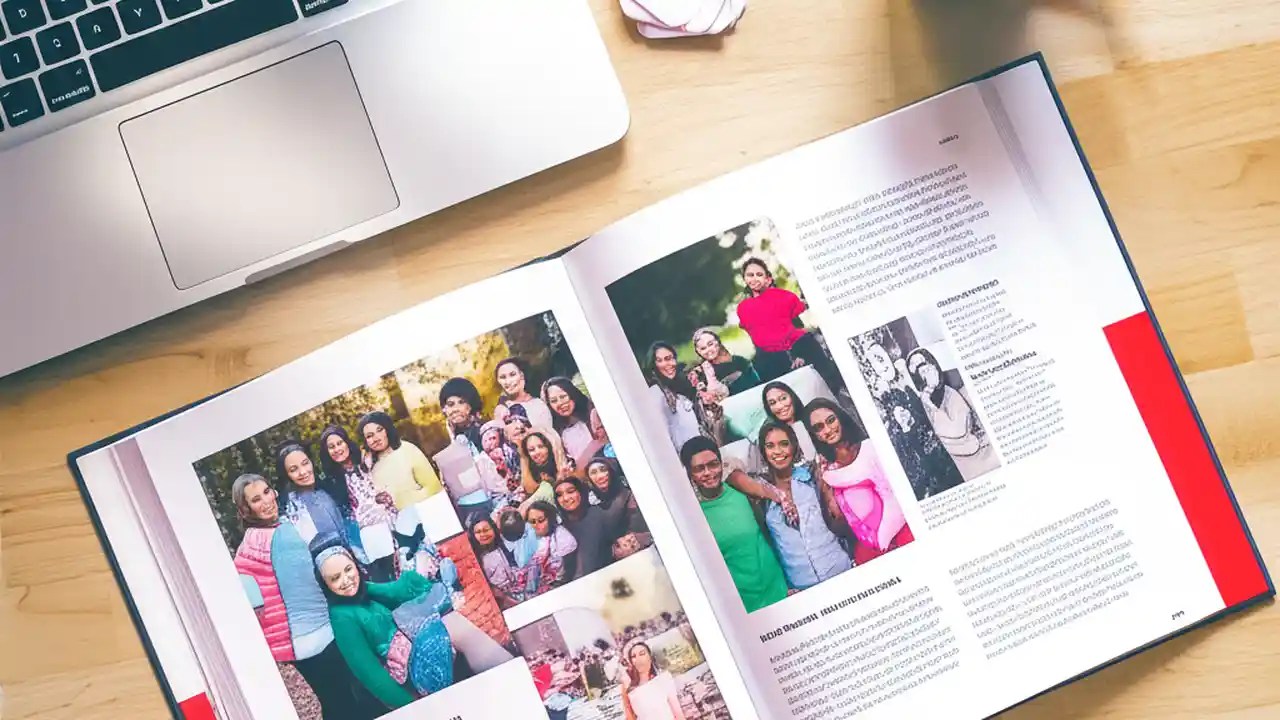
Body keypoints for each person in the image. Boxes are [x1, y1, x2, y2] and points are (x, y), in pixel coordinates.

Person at [231, 474, 366, 719]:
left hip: (293, 643)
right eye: (256, 499)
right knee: (348, 700)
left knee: (335, 700)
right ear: (245, 508)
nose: (267, 500)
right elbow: (310, 581)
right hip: (317, 632)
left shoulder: (248, 545)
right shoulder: (278, 536)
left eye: (267, 491)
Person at [315, 543, 513, 710]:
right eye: (335, 578)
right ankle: (516, 677)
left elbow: (398, 591)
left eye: (348, 569)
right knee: (454, 624)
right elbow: (369, 673)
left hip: (417, 652)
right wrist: (414, 709)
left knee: (457, 617)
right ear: (326, 585)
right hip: (412, 675)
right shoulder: (341, 617)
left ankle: (513, 678)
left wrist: (372, 585)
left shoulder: (362, 592)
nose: (346, 580)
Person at [679, 436, 788, 612]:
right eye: (699, 469)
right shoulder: (692, 516)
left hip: (779, 590)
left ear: (722, 464)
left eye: (713, 464)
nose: (708, 473)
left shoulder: (742, 493)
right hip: (745, 607)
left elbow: (769, 536)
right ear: (690, 473)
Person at [804, 399, 913, 564]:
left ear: (840, 418)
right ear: (815, 435)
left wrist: (883, 539)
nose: (827, 430)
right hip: (869, 550)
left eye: (831, 420)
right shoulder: (828, 472)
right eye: (819, 427)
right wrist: (826, 492)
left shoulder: (870, 447)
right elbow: (839, 527)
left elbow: (895, 498)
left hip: (901, 534)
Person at [857, 338, 963, 499]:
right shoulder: (884, 400)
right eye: (874, 362)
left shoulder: (909, 373)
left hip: (948, 445)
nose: (880, 363)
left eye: (880, 355)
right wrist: (904, 427)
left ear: (888, 353)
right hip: (929, 466)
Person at [756, 422, 852, 589]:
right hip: (801, 587)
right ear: (764, 452)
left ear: (794, 447)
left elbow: (838, 522)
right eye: (770, 446)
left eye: (784, 444)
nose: (778, 452)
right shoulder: (760, 494)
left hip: (840, 571)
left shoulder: (812, 476)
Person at [734, 257, 840, 388]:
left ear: (768, 279)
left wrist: (798, 355)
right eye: (750, 275)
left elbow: (798, 330)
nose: (755, 279)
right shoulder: (746, 309)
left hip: (801, 350)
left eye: (759, 275)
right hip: (772, 361)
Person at [319, 425, 401, 581]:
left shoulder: (367, 461)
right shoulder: (331, 482)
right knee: (383, 576)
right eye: (331, 447)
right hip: (365, 535)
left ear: (347, 442)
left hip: (390, 522)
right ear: (326, 453)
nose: (337, 449)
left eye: (340, 443)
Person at [906, 348, 1000, 481]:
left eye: (924, 364)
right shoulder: (922, 402)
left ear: (935, 366)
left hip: (974, 458)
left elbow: (957, 430)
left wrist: (930, 402)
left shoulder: (950, 394)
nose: (924, 369)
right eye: (916, 367)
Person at [276, 440, 351, 549]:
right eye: (293, 470)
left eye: (305, 463)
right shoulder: (290, 509)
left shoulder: (327, 491)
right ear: (287, 475)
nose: (303, 472)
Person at [647, 341, 720, 450]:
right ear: (653, 365)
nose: (668, 364)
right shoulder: (656, 393)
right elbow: (662, 433)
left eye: (670, 358)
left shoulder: (681, 388)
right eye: (660, 361)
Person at [584, 457, 651, 548]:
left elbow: (637, 527)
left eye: (603, 470)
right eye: (593, 473)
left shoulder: (628, 496)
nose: (599, 476)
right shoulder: (590, 504)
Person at [554, 477, 613, 580]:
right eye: (559, 495)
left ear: (581, 492)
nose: (566, 498)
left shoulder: (598, 515)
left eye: (570, 491)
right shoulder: (560, 529)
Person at [542, 376, 604, 467]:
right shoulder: (559, 432)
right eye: (553, 401)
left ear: (572, 394)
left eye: (563, 397)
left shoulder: (595, 415)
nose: (560, 403)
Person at [620, 641, 686, 720]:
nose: (638, 659)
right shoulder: (629, 689)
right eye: (633, 656)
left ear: (650, 657)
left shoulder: (663, 679)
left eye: (642, 654)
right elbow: (630, 716)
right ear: (631, 662)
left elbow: (678, 712)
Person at [523, 500, 578, 594]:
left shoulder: (563, 538)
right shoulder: (526, 538)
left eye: (541, 520)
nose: (536, 525)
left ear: (550, 519)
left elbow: (569, 573)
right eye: (532, 521)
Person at [467, 516, 521, 609]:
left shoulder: (505, 547)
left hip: (518, 591)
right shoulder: (476, 559)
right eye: (478, 532)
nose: (483, 534)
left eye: (486, 530)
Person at [692, 327, 760, 396]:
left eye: (710, 344)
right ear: (698, 352)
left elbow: (756, 382)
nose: (708, 350)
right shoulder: (701, 374)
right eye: (703, 348)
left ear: (718, 342)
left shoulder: (739, 361)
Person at [760, 381, 818, 462]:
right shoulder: (772, 434)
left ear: (792, 397)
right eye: (773, 403)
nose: (780, 406)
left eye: (783, 398)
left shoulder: (813, 417)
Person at [493, 357, 555, 430]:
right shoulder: (500, 408)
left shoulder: (538, 405)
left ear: (521, 375)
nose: (508, 381)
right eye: (502, 377)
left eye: (512, 375)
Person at [519, 429, 573, 510]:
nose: (537, 452)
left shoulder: (567, 465)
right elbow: (529, 490)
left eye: (541, 447)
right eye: (531, 450)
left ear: (549, 446)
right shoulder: (531, 469)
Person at [440, 377, 488, 453]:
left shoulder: (485, 432)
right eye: (450, 404)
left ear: (471, 405)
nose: (456, 409)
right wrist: (452, 437)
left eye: (461, 402)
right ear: (444, 409)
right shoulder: (443, 438)